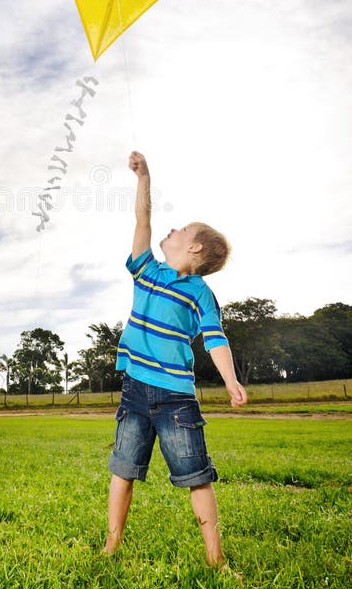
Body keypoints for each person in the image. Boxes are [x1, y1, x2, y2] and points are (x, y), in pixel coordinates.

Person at [104, 151, 247, 567]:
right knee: (123, 468)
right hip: (134, 391)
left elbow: (215, 337)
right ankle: (111, 546)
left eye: (183, 229)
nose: (172, 228)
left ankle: (215, 558)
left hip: (176, 398)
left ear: (195, 246)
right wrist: (144, 177)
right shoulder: (146, 268)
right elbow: (142, 222)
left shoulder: (199, 291)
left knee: (196, 475)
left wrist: (231, 380)